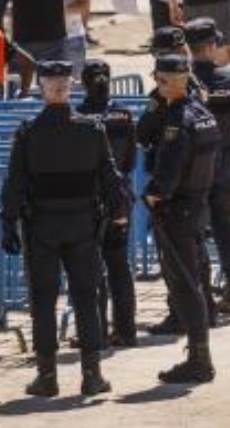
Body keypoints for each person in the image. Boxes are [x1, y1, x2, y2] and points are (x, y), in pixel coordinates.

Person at [2, 60, 120, 399]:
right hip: (84, 225)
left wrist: (7, 222)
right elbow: (110, 178)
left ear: (41, 87)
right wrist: (119, 214)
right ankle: (92, 374)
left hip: (42, 228)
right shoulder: (92, 129)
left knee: (43, 300)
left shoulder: (28, 132)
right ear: (69, 87)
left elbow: (15, 185)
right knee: (86, 297)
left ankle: (47, 376)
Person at [142, 53, 221, 384]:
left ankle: (199, 360)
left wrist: (153, 193)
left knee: (185, 285)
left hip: (178, 209)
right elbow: (143, 134)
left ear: (169, 81)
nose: (157, 87)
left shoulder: (178, 120)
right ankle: (197, 354)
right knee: (192, 280)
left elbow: (169, 170)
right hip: (198, 204)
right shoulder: (202, 112)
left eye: (159, 81)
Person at [186, 18, 230, 317]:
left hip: (192, 169)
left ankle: (203, 301)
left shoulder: (181, 83)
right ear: (212, 45)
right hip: (225, 166)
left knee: (194, 233)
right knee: (224, 228)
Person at [76, 60, 137, 342]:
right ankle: (125, 331)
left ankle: (95, 332)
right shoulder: (124, 114)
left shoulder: (77, 118)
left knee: (91, 267)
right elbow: (130, 160)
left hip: (89, 200)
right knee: (119, 266)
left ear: (83, 82)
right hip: (119, 197)